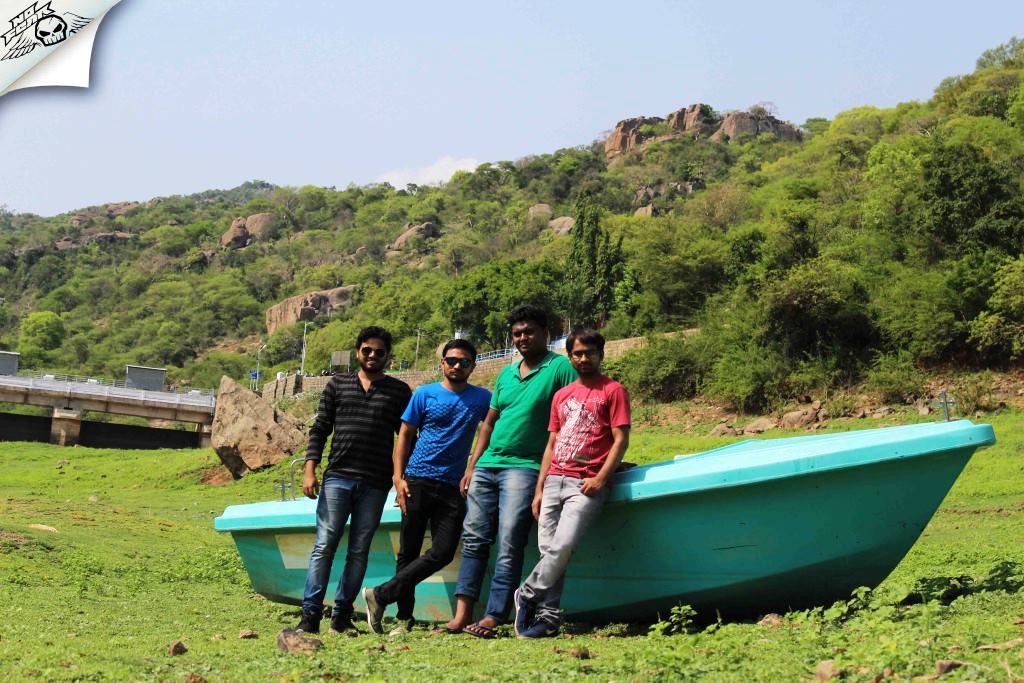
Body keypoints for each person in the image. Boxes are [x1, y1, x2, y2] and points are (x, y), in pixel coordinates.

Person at [446, 304, 577, 639]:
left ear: (546, 333)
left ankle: (495, 614)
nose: (522, 338)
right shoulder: (506, 373)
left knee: (509, 541)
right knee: (473, 539)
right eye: (517, 333)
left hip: (525, 467)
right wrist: (472, 465)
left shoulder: (559, 367)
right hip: (488, 465)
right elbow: (488, 423)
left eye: (529, 331)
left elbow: (575, 412)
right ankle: (461, 615)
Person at [362, 339, 491, 635]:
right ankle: (404, 620)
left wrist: (474, 465)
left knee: (443, 551)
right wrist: (399, 477)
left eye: (464, 362)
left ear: (473, 366)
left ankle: (380, 595)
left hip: (452, 486)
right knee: (407, 552)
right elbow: (405, 436)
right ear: (442, 363)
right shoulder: (424, 394)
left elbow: (495, 426)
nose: (457, 366)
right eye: (452, 360)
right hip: (417, 480)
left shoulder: (482, 398)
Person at [513, 328, 630, 638]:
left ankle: (526, 593)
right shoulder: (562, 396)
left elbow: (621, 439)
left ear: (600, 355)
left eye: (589, 352)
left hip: (586, 484)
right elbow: (551, 444)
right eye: (577, 353)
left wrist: (601, 478)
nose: (583, 358)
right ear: (570, 357)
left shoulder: (613, 390)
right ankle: (548, 619)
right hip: (553, 480)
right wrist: (539, 489)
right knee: (550, 552)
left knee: (563, 546)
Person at [296, 326, 412, 634]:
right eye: (367, 350)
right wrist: (310, 469)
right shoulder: (338, 384)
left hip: (375, 483)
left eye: (379, 352)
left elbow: (406, 438)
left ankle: (342, 617)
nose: (373, 356)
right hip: (337, 478)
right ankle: (310, 616)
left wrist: (401, 478)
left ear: (388, 355)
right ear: (358, 352)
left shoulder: (399, 392)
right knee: (324, 545)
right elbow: (320, 429)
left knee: (359, 550)